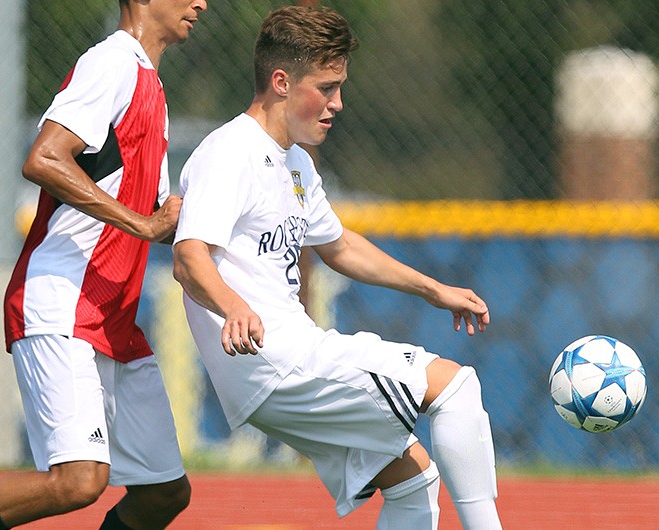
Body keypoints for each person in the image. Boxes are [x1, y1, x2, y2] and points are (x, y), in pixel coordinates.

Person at [171, 6, 503, 529]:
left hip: (280, 363)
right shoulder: (230, 152)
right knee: (456, 387)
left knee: (412, 479)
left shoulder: (296, 162)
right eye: (326, 88)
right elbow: (189, 256)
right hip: (275, 360)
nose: (338, 103)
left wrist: (433, 288)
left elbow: (339, 246)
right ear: (282, 82)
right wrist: (233, 306)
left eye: (340, 87)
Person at [0, 1, 207, 529]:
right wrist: (145, 224)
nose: (202, 2)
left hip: (112, 319)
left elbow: (153, 214)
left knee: (164, 493)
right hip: (64, 301)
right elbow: (44, 157)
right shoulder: (112, 63)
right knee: (78, 481)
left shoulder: (150, 84)